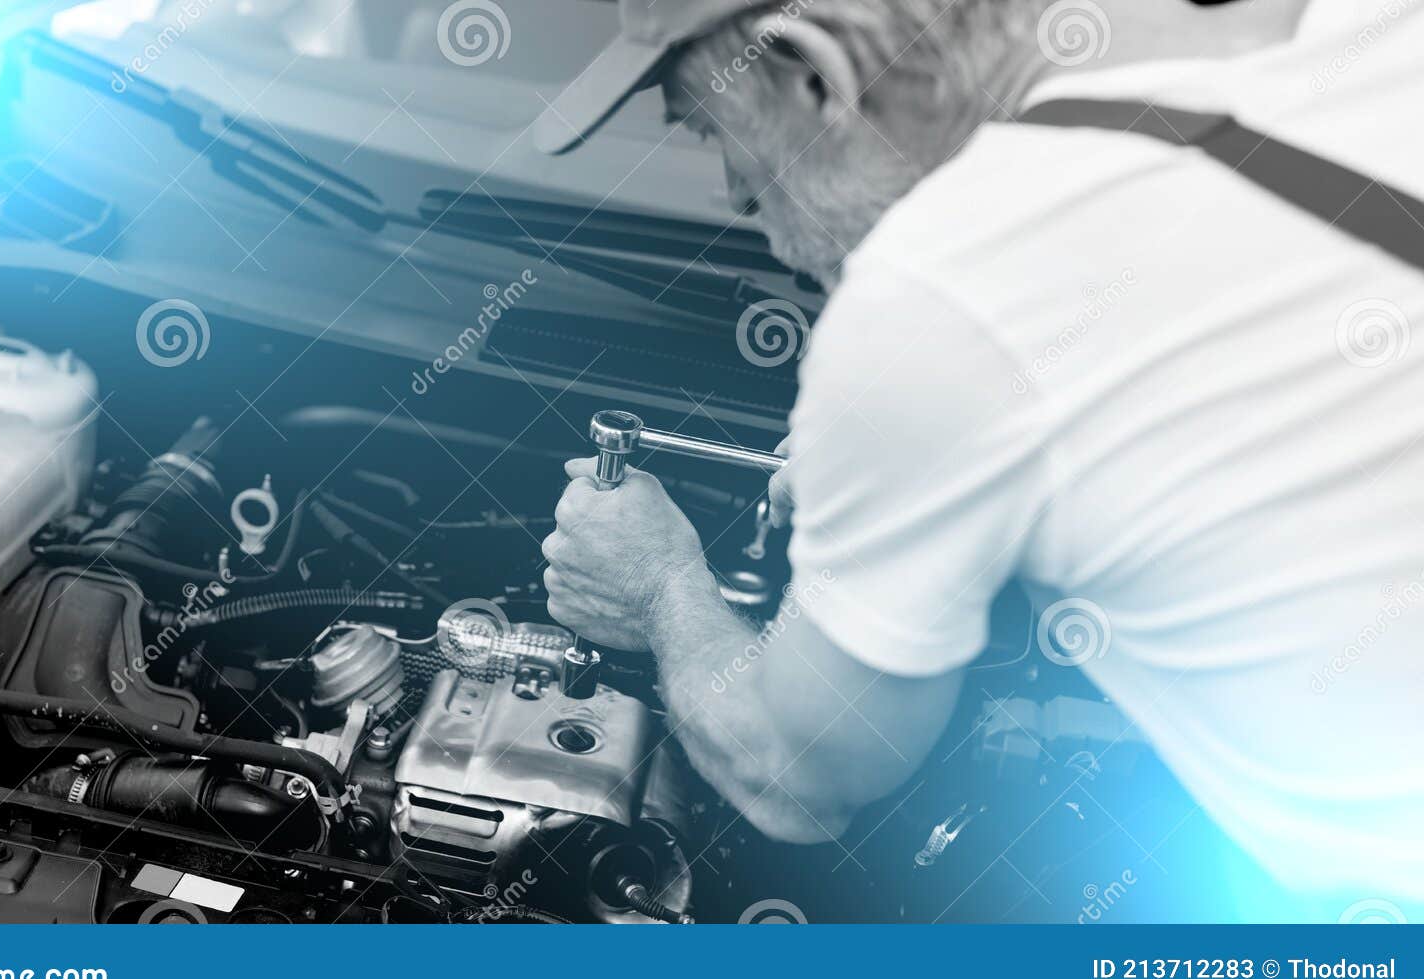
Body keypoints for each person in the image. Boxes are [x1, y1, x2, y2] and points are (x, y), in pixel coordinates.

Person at [536, 0, 1424, 907]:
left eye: (716, 129)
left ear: (818, 77)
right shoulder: (1379, 29)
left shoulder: (945, 290)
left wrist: (657, 587)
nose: (734, 191)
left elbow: (798, 775)